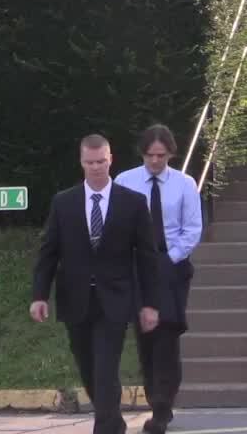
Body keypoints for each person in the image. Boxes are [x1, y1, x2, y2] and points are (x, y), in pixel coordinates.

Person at [32, 133, 161, 434]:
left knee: (105, 370)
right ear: (81, 162)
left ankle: (105, 428)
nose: (96, 167)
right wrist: (39, 295)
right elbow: (49, 252)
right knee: (89, 371)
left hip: (114, 301)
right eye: (90, 162)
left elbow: (147, 258)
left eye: (101, 161)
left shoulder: (133, 203)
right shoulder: (64, 203)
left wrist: (151, 304)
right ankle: (112, 420)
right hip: (75, 300)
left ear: (111, 159)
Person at [115, 124, 203, 434]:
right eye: (151, 155)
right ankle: (156, 398)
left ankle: (163, 406)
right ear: (142, 154)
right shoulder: (125, 181)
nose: (155, 161)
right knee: (146, 336)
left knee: (166, 334)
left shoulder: (184, 183)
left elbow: (192, 228)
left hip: (171, 265)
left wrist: (170, 258)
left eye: (161, 155)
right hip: (138, 265)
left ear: (171, 154)